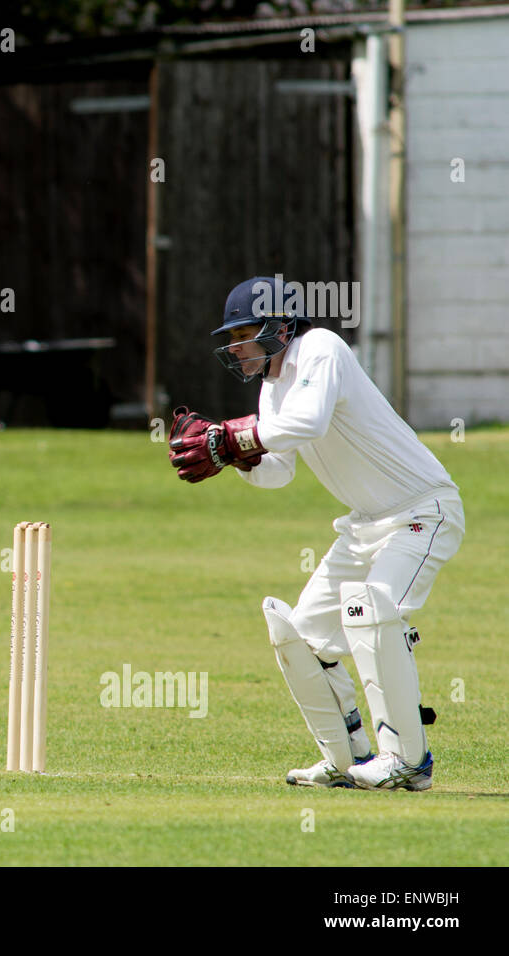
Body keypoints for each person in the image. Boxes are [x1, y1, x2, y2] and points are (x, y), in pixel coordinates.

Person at [167, 276, 463, 791]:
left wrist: (234, 436)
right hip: (363, 524)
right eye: (231, 338)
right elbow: (279, 468)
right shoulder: (271, 386)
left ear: (280, 328)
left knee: (372, 613)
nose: (236, 348)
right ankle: (346, 759)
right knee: (300, 638)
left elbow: (306, 422)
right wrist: (236, 458)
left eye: (244, 334)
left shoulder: (322, 348)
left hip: (423, 510)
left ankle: (409, 762)